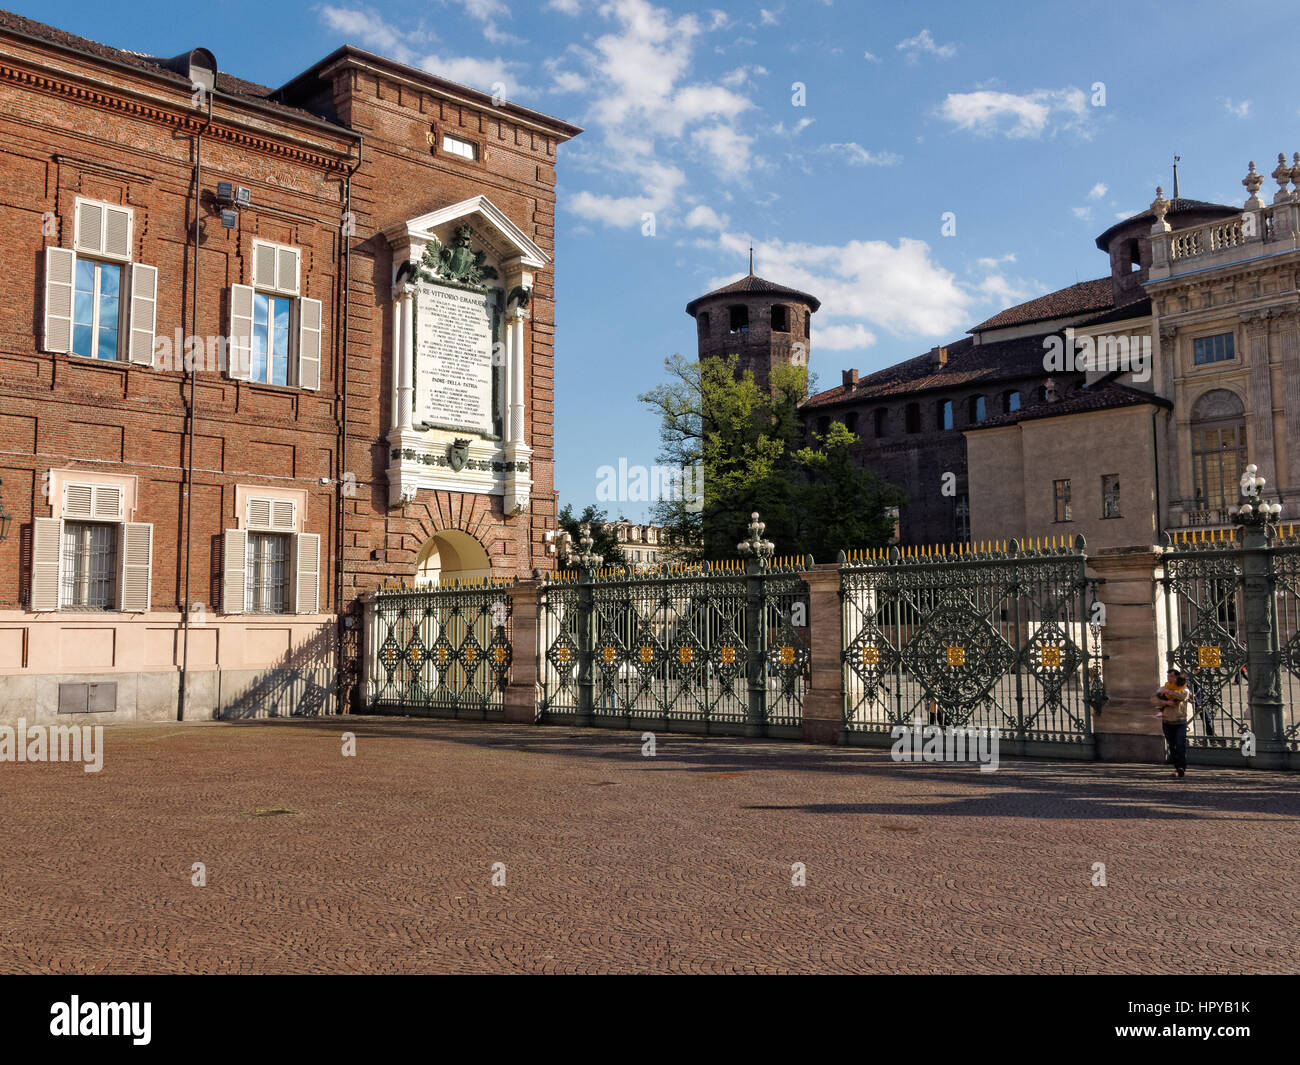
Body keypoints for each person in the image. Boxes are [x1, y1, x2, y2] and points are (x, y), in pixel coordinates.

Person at [1151, 669, 1191, 778]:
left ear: (1177, 677)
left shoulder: (1184, 689)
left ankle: (1182, 767)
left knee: (1180, 745)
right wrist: (1165, 702)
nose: (1169, 678)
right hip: (1167, 721)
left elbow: (1182, 696)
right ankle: (1177, 767)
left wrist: (1169, 692)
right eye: (1168, 676)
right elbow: (1154, 699)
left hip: (1180, 722)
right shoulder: (1164, 687)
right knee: (1172, 746)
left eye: (1172, 676)